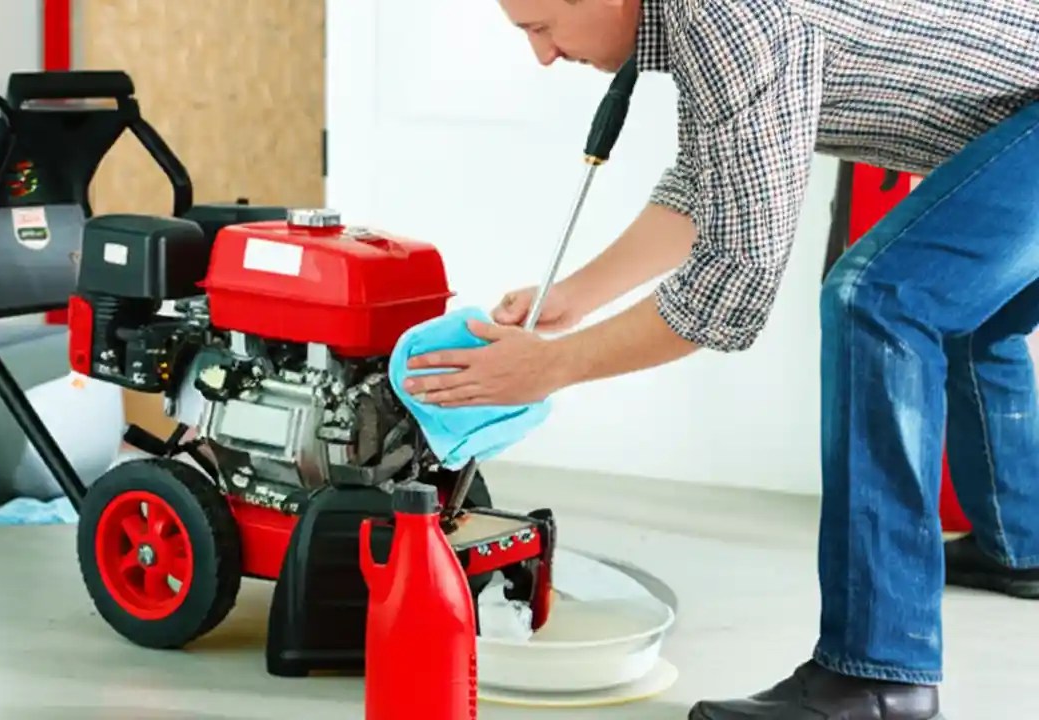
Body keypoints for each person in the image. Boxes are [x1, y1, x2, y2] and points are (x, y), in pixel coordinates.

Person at [400, 0, 1039, 718]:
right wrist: (576, 297)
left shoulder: (726, 16)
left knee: (881, 298)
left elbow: (734, 280)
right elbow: (706, 183)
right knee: (968, 312)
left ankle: (880, 676)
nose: (542, 56)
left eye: (540, 28)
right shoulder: (697, 25)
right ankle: (1022, 544)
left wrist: (551, 367)